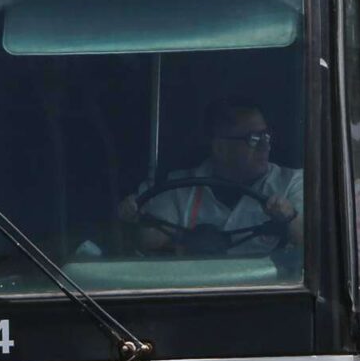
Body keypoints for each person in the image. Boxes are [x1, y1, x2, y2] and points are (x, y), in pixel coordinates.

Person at [118, 100, 303, 254]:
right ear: (219, 148)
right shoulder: (177, 188)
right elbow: (149, 240)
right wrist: (134, 218)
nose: (265, 146)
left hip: (272, 291)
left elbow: (314, 244)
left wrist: (289, 218)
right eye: (254, 139)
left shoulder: (292, 183)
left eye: (266, 136)